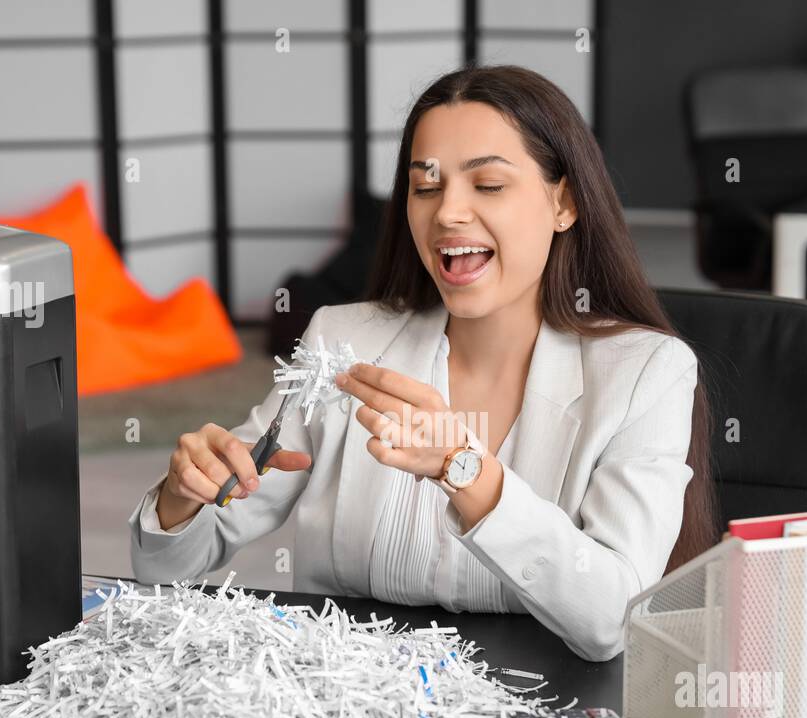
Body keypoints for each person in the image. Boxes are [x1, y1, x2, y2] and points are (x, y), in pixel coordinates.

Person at [128, 65, 716, 661]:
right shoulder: (342, 341)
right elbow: (169, 565)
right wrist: (183, 496)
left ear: (563, 202)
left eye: (487, 185)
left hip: (534, 712)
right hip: (343, 703)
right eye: (425, 187)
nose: (447, 214)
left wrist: (466, 471)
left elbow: (612, 622)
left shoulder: (647, 372)